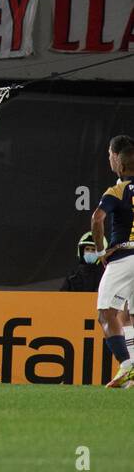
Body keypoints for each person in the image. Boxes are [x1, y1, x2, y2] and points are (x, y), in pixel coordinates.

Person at [90, 136, 134, 388]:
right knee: (129, 316)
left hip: (124, 258)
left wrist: (100, 251)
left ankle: (126, 366)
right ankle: (131, 374)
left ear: (118, 159)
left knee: (106, 313)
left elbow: (97, 219)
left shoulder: (117, 191)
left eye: (109, 154)